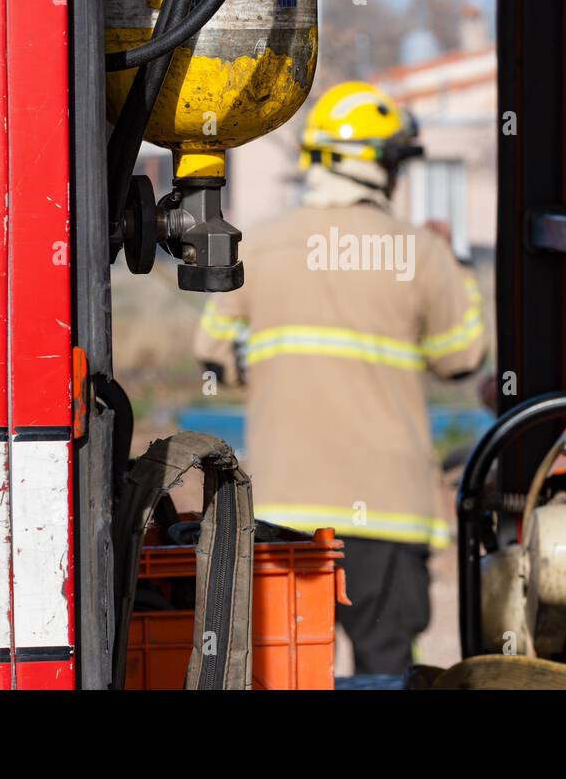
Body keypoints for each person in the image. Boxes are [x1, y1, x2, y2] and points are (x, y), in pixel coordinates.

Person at [193, 80, 487, 675]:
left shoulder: (263, 244)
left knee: (289, 668)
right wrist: (453, 263)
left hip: (284, 509)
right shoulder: (418, 252)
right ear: (377, 167)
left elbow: (212, 352)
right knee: (387, 672)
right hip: (389, 510)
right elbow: (462, 357)